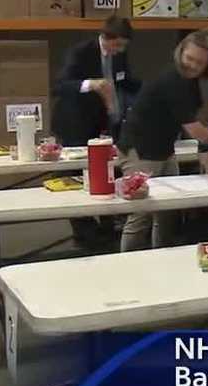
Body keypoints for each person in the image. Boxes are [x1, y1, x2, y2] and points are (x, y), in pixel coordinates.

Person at [118, 31, 208, 252]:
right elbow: (195, 130)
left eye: (199, 63)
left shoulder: (189, 82)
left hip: (163, 148)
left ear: (207, 65)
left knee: (168, 210)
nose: (191, 65)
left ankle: (162, 258)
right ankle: (126, 264)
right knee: (140, 214)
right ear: (180, 52)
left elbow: (194, 115)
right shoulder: (174, 80)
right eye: (189, 58)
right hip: (140, 149)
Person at [52, 16, 142, 248]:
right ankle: (83, 231)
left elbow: (124, 81)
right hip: (75, 122)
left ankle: (107, 228)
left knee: (107, 172)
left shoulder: (119, 55)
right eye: (117, 45)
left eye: (124, 46)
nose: (120, 50)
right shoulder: (81, 52)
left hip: (103, 122)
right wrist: (91, 84)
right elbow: (61, 85)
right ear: (106, 38)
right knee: (76, 176)